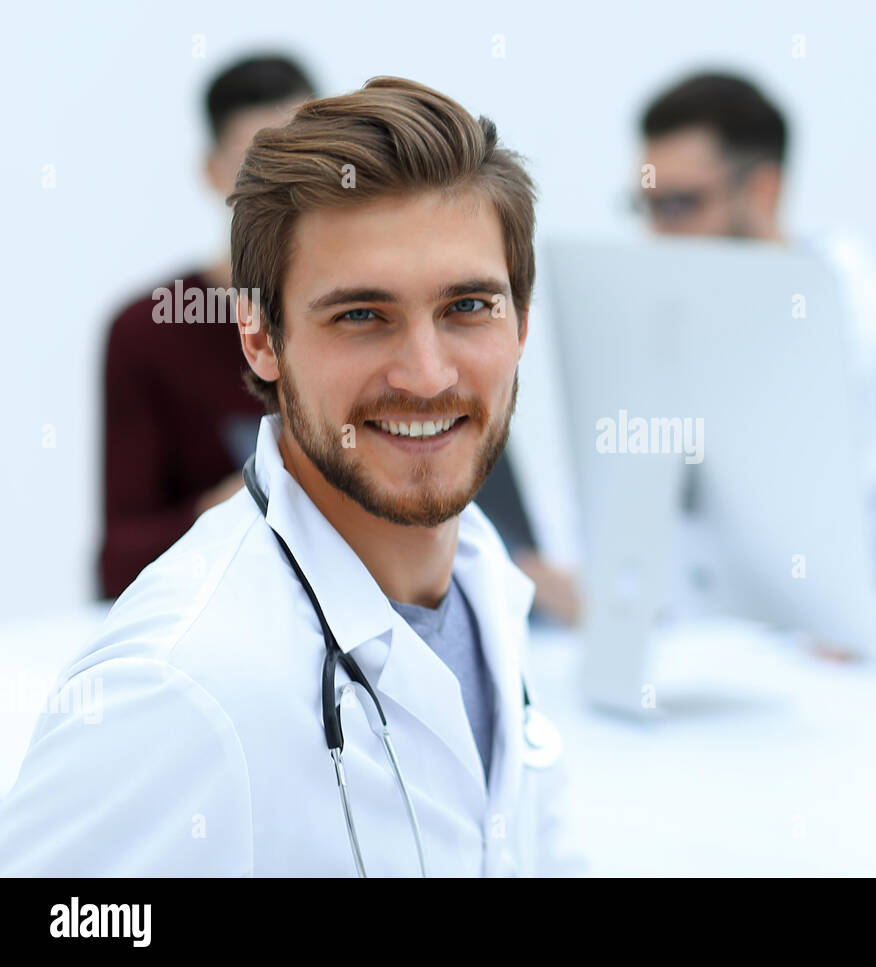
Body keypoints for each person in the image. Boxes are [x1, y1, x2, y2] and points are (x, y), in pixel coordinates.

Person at [0, 77, 582, 875]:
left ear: (521, 322)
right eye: (360, 315)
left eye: (468, 306)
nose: (425, 373)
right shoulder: (177, 686)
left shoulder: (484, 587)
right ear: (260, 339)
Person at [636, 71, 876, 574]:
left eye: (680, 204)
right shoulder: (687, 323)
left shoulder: (875, 327)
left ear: (763, 190)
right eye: (648, 205)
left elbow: (830, 547)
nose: (658, 234)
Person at [97, 54, 316, 599]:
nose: (288, 186)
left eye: (309, 158)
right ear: (213, 173)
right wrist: (237, 503)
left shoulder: (369, 313)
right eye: (259, 165)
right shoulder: (148, 330)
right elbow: (117, 562)